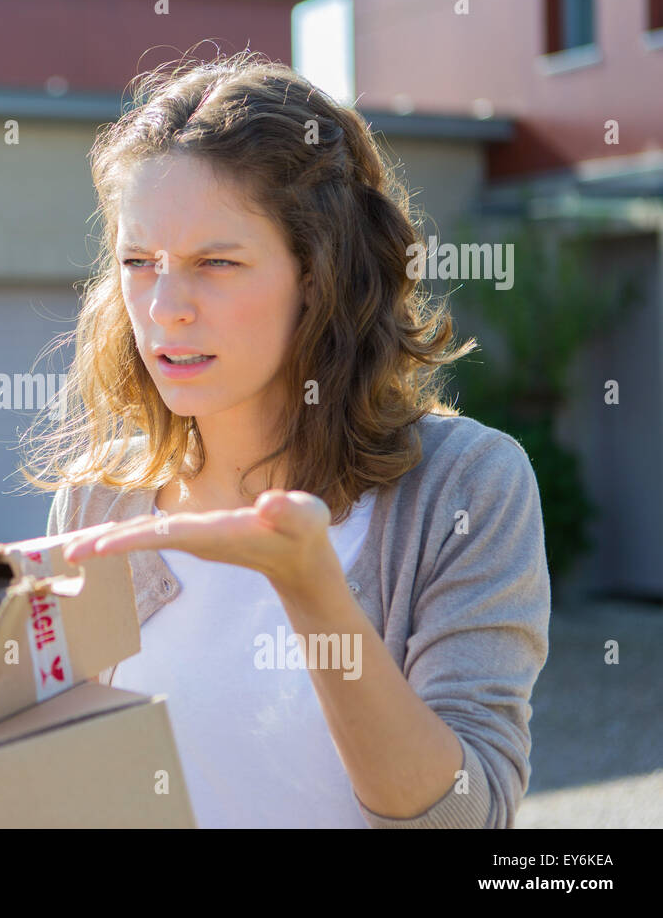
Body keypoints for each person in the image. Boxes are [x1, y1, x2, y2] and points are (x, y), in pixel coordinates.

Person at [27, 53, 551, 828]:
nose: (166, 306)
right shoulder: (97, 498)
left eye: (216, 262)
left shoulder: (467, 486)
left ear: (319, 274)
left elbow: (465, 818)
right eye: (140, 262)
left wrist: (310, 587)